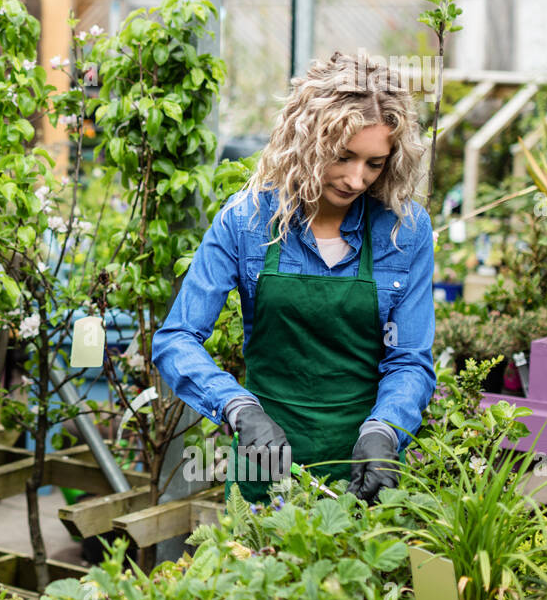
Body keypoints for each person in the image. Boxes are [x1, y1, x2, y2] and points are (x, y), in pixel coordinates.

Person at [152, 52, 437, 504]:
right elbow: (177, 338)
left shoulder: (404, 231)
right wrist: (238, 408)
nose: (356, 179)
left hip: (363, 467)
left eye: (375, 163)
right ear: (306, 141)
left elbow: (410, 358)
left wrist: (386, 430)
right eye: (342, 156)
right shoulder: (246, 221)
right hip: (262, 461)